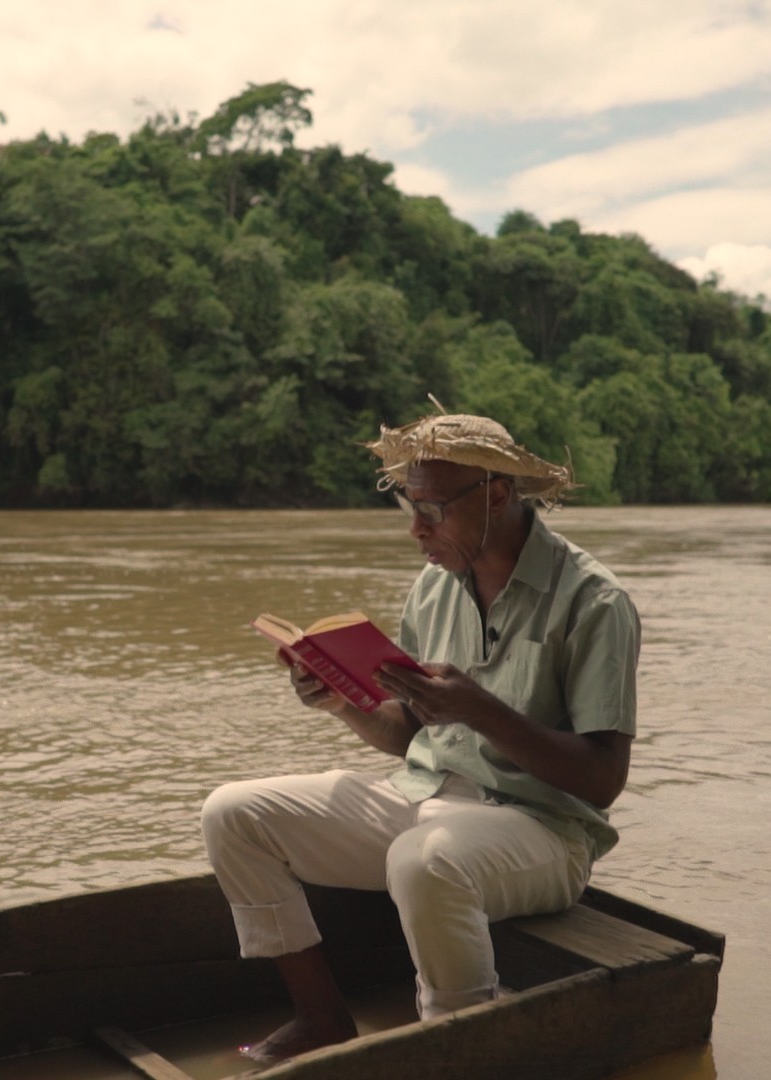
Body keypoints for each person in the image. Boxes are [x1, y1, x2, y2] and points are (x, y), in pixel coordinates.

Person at [200, 410, 640, 1064]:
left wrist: (481, 711)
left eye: (432, 508)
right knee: (234, 814)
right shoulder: (433, 589)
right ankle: (322, 1020)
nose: (416, 528)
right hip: (425, 795)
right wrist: (341, 701)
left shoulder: (594, 601)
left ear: (495, 494)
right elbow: (409, 735)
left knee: (422, 861)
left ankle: (459, 1053)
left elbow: (604, 780)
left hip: (543, 828)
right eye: (411, 504)